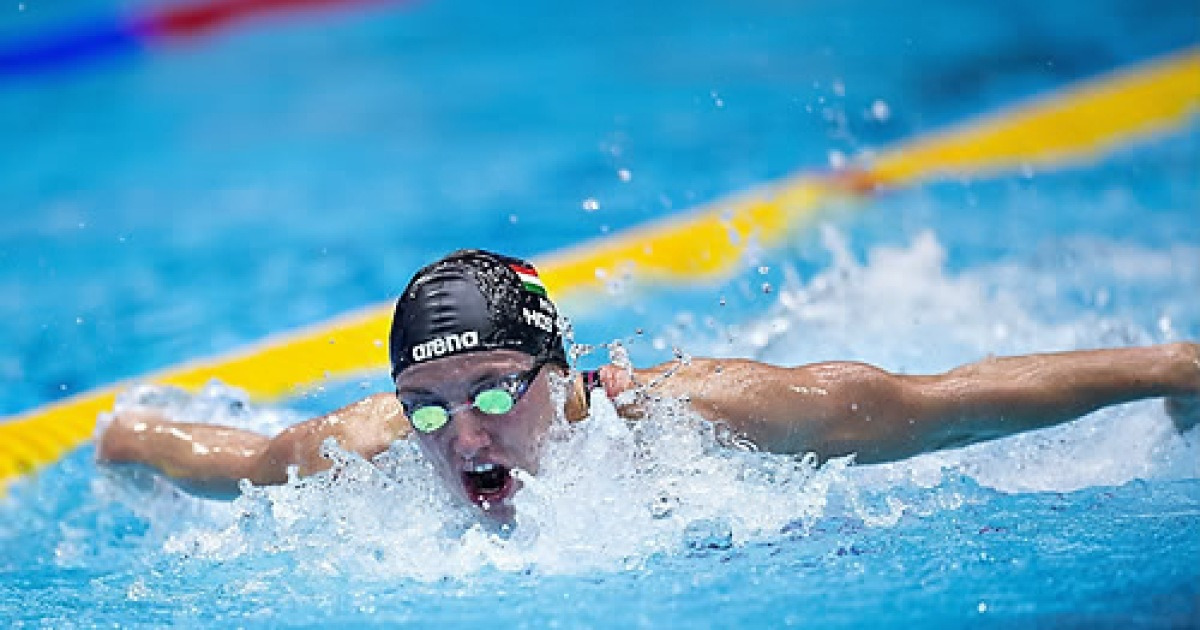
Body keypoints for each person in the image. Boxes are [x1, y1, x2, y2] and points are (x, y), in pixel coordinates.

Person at [97, 249, 1200, 520]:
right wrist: (122, 436)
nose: (459, 431)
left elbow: (944, 399)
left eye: (492, 389)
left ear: (559, 373)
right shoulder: (371, 441)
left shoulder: (703, 419)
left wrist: (1172, 369)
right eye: (428, 402)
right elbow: (233, 460)